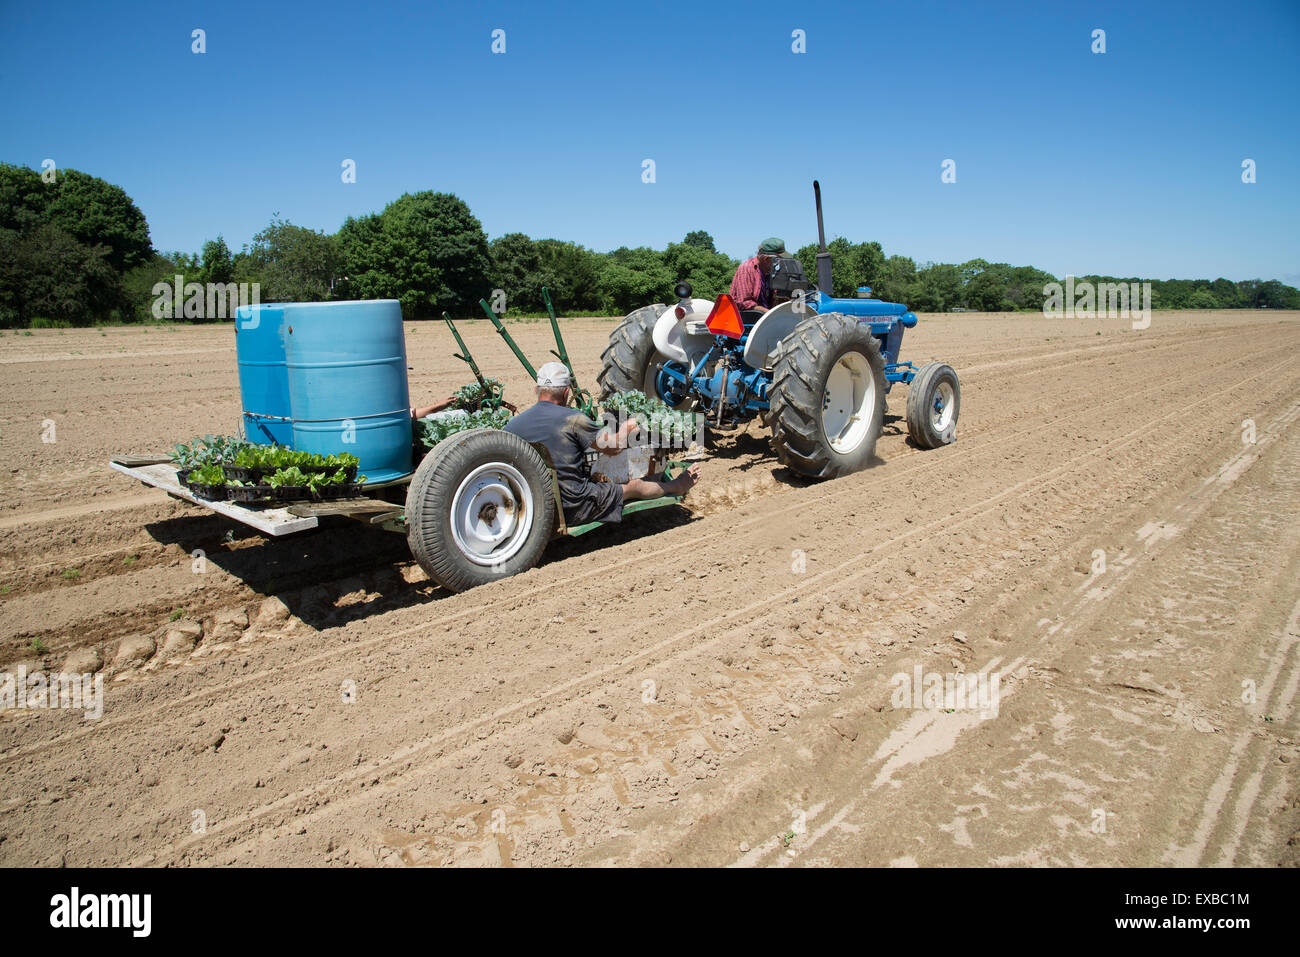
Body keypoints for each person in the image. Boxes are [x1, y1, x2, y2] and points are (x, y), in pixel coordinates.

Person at [505, 362, 701, 525]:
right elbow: (614, 447)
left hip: (536, 506)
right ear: (566, 393)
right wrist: (627, 427)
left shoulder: (511, 427)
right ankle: (675, 486)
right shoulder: (573, 419)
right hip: (575, 506)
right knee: (633, 485)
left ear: (536, 390)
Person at [729, 237, 787, 311]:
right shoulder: (747, 269)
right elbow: (744, 303)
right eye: (779, 260)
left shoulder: (771, 273)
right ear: (766, 259)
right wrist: (769, 313)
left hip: (764, 317)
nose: (780, 263)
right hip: (746, 318)